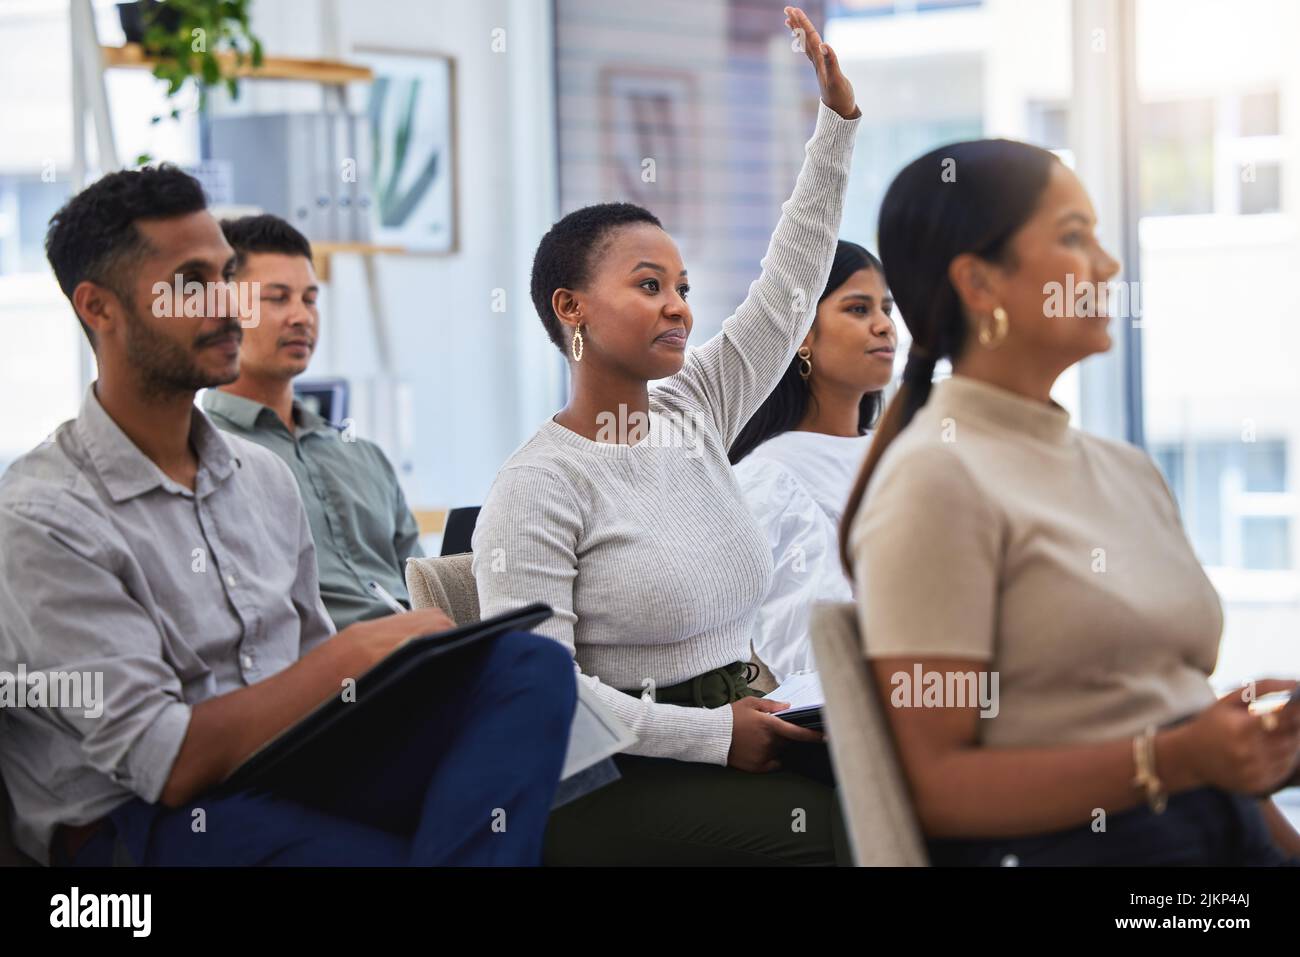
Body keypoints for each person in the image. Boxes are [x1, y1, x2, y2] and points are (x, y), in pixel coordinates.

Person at [0, 164, 575, 867]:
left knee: (528, 663)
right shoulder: (43, 515)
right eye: (194, 283)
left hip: (292, 766)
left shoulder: (262, 479)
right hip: (141, 824)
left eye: (227, 275)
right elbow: (165, 761)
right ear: (99, 308)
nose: (228, 305)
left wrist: (410, 667)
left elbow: (314, 676)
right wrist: (351, 653)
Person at [840, 138, 1300, 866]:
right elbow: (939, 789)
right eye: (1075, 237)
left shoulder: (1128, 472)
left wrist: (1250, 753)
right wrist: (1175, 759)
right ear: (980, 284)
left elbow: (1182, 725)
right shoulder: (935, 479)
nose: (1109, 266)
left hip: (1215, 834)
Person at [473, 7, 859, 865]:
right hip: (608, 776)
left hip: (747, 719)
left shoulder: (693, 408)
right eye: (649, 284)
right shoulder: (538, 485)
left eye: (682, 285)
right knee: (835, 837)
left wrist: (835, 126)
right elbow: (541, 698)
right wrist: (710, 736)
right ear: (570, 308)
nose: (679, 304)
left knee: (914, 791)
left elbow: (791, 284)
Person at [203, 213, 422, 630]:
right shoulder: (203, 453)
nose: (301, 316)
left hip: (424, 656)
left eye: (309, 299)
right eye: (277, 298)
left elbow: (425, 583)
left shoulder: (363, 455)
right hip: (324, 677)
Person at [730, 240, 894, 683]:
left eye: (887, 309)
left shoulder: (903, 455)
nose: (884, 326)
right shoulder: (768, 477)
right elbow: (812, 652)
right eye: (858, 309)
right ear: (802, 332)